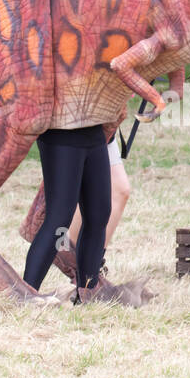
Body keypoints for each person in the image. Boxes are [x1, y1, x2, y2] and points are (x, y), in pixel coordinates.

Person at [23, 124, 111, 303]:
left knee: (99, 214)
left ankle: (87, 293)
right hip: (61, 134)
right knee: (59, 220)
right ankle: (26, 296)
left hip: (94, 131)